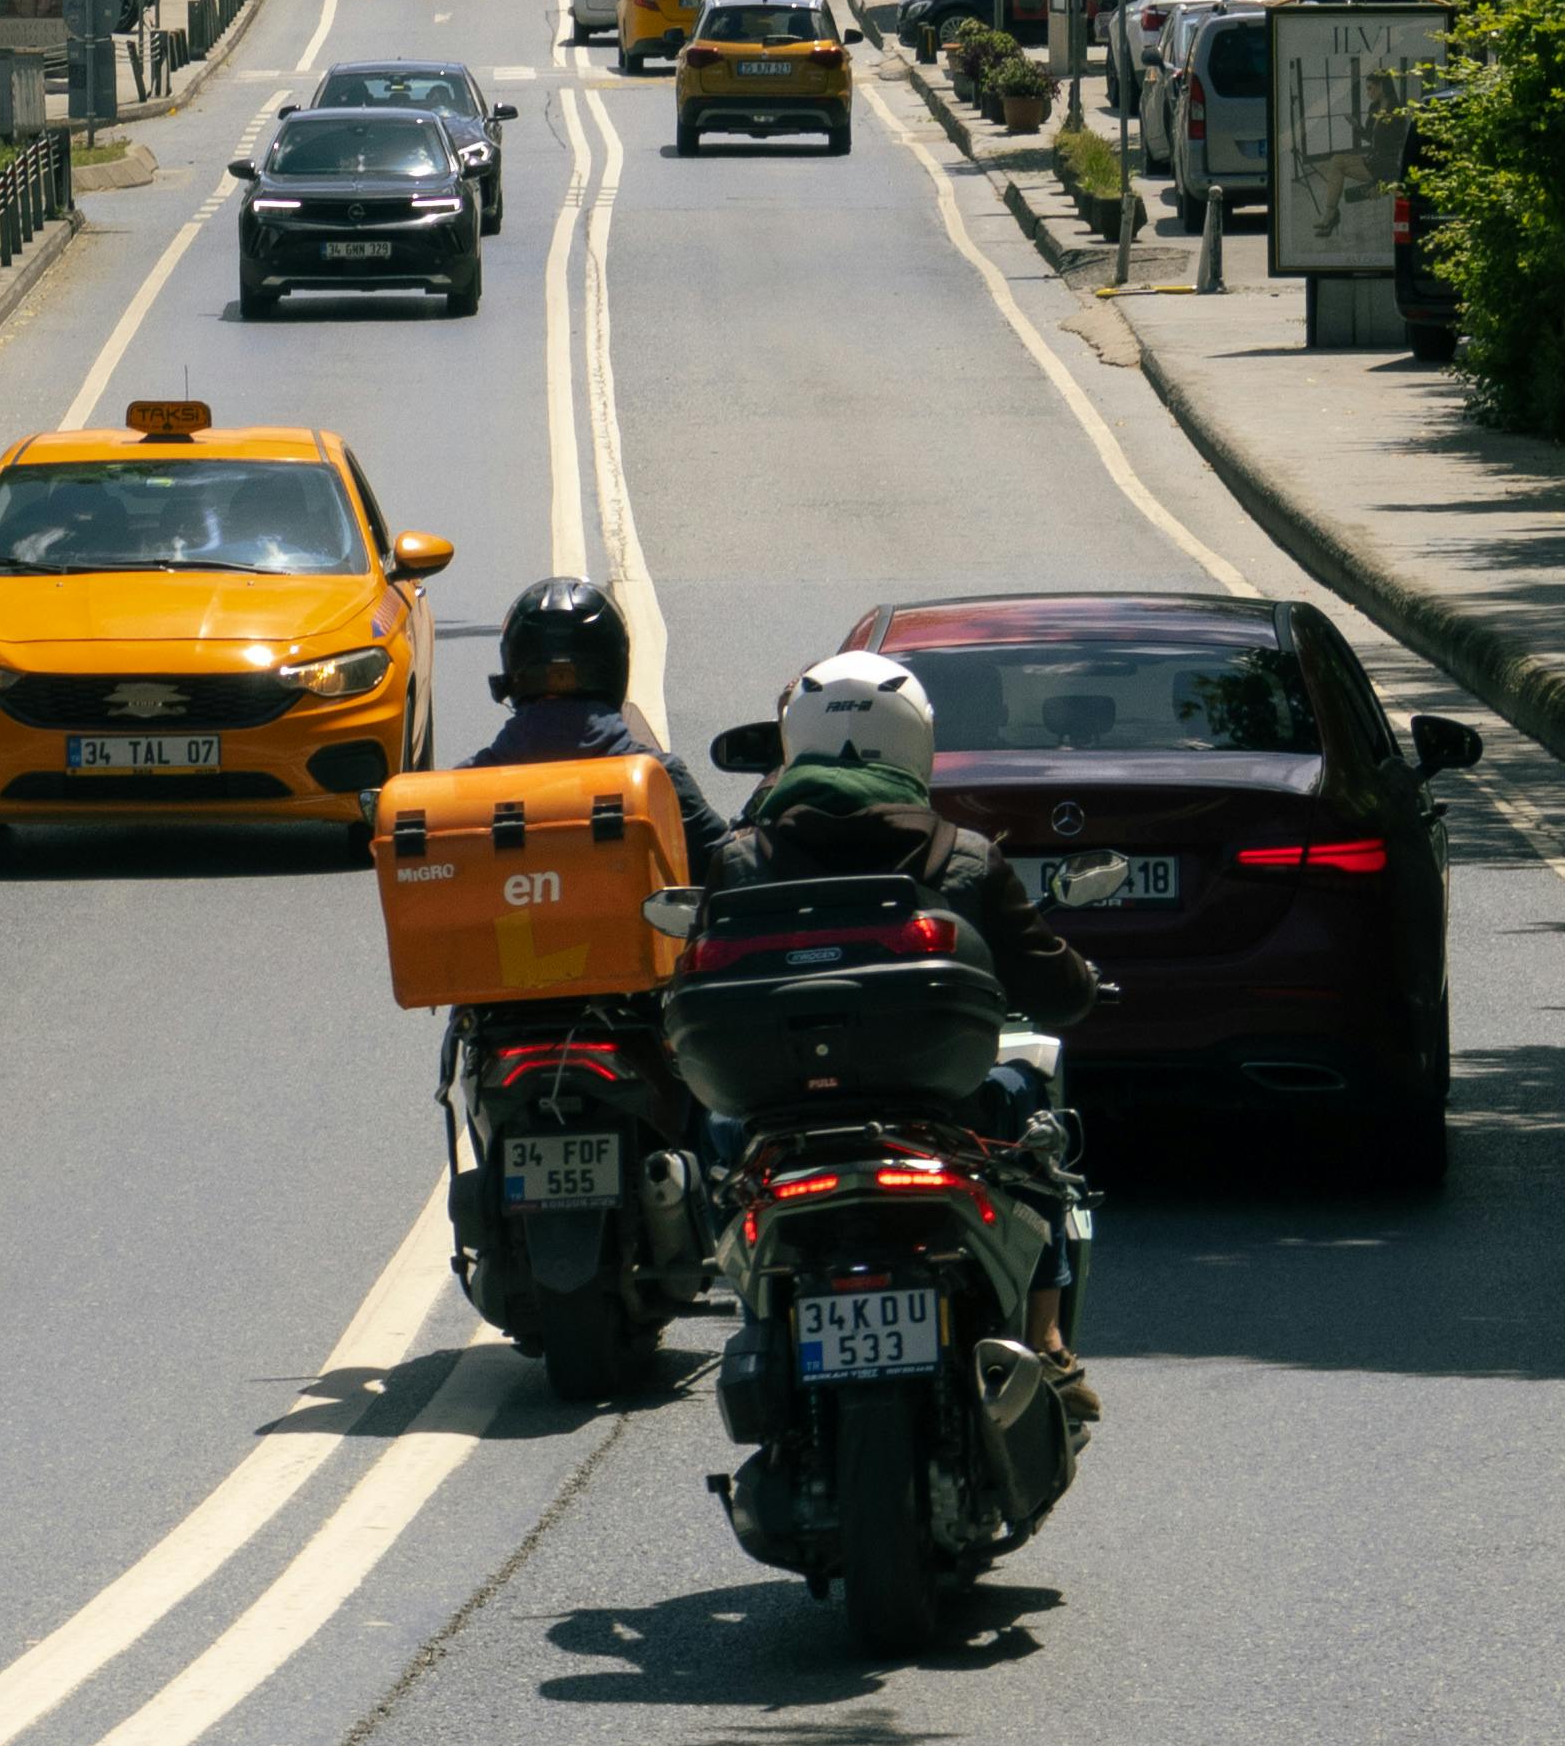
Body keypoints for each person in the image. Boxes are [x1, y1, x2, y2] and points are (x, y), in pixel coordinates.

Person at [738, 650, 1101, 1395]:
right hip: (946, 1112)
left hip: (782, 1119)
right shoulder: (965, 858)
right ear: (915, 741)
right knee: (1031, 1113)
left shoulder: (743, 859)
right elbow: (1059, 992)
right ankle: (1047, 1337)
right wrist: (1081, 980)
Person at [469, 578, 740, 872]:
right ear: (616, 668)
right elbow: (727, 873)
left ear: (514, 673)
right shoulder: (661, 780)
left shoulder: (464, 790)